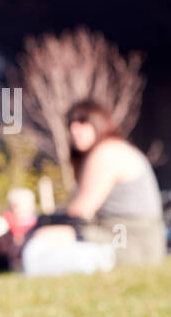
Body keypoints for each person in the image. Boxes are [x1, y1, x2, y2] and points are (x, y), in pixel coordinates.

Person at [22, 100, 167, 274]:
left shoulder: (107, 152)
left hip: (126, 241)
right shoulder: (114, 149)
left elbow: (81, 210)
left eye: (83, 122)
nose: (75, 130)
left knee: (36, 248)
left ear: (98, 123)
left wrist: (39, 225)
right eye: (71, 124)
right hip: (138, 242)